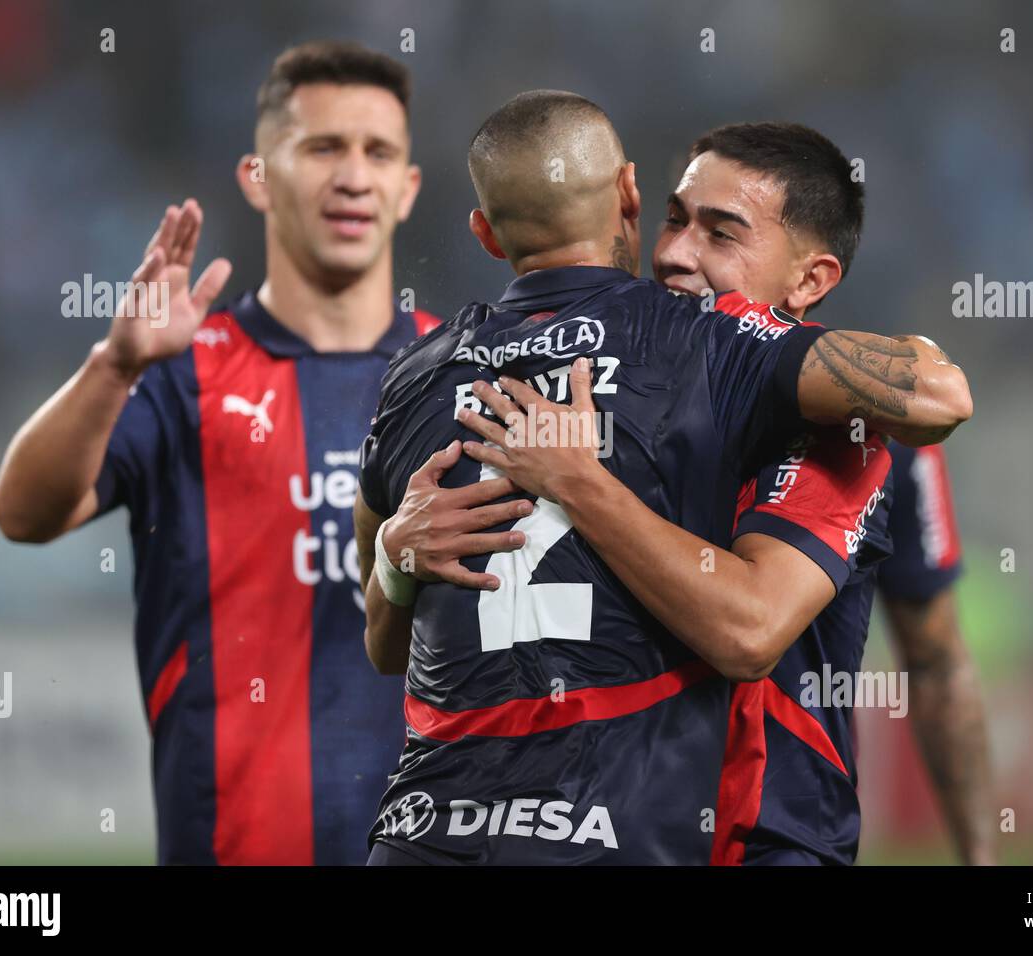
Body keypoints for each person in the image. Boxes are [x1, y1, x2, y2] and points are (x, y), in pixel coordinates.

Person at [356, 92, 970, 864]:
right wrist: (393, 557)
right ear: (631, 199)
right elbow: (385, 638)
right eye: (676, 220)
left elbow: (754, 629)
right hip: (636, 830)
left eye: (721, 232)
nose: (677, 252)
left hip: (772, 836)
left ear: (811, 281)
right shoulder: (678, 351)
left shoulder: (833, 431)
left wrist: (581, 483)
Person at [0, 40, 437, 865]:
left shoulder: (454, 377)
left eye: (378, 153)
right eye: (322, 147)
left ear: (407, 188)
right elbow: (22, 513)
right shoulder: (184, 371)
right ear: (257, 177)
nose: (353, 176)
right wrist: (114, 365)